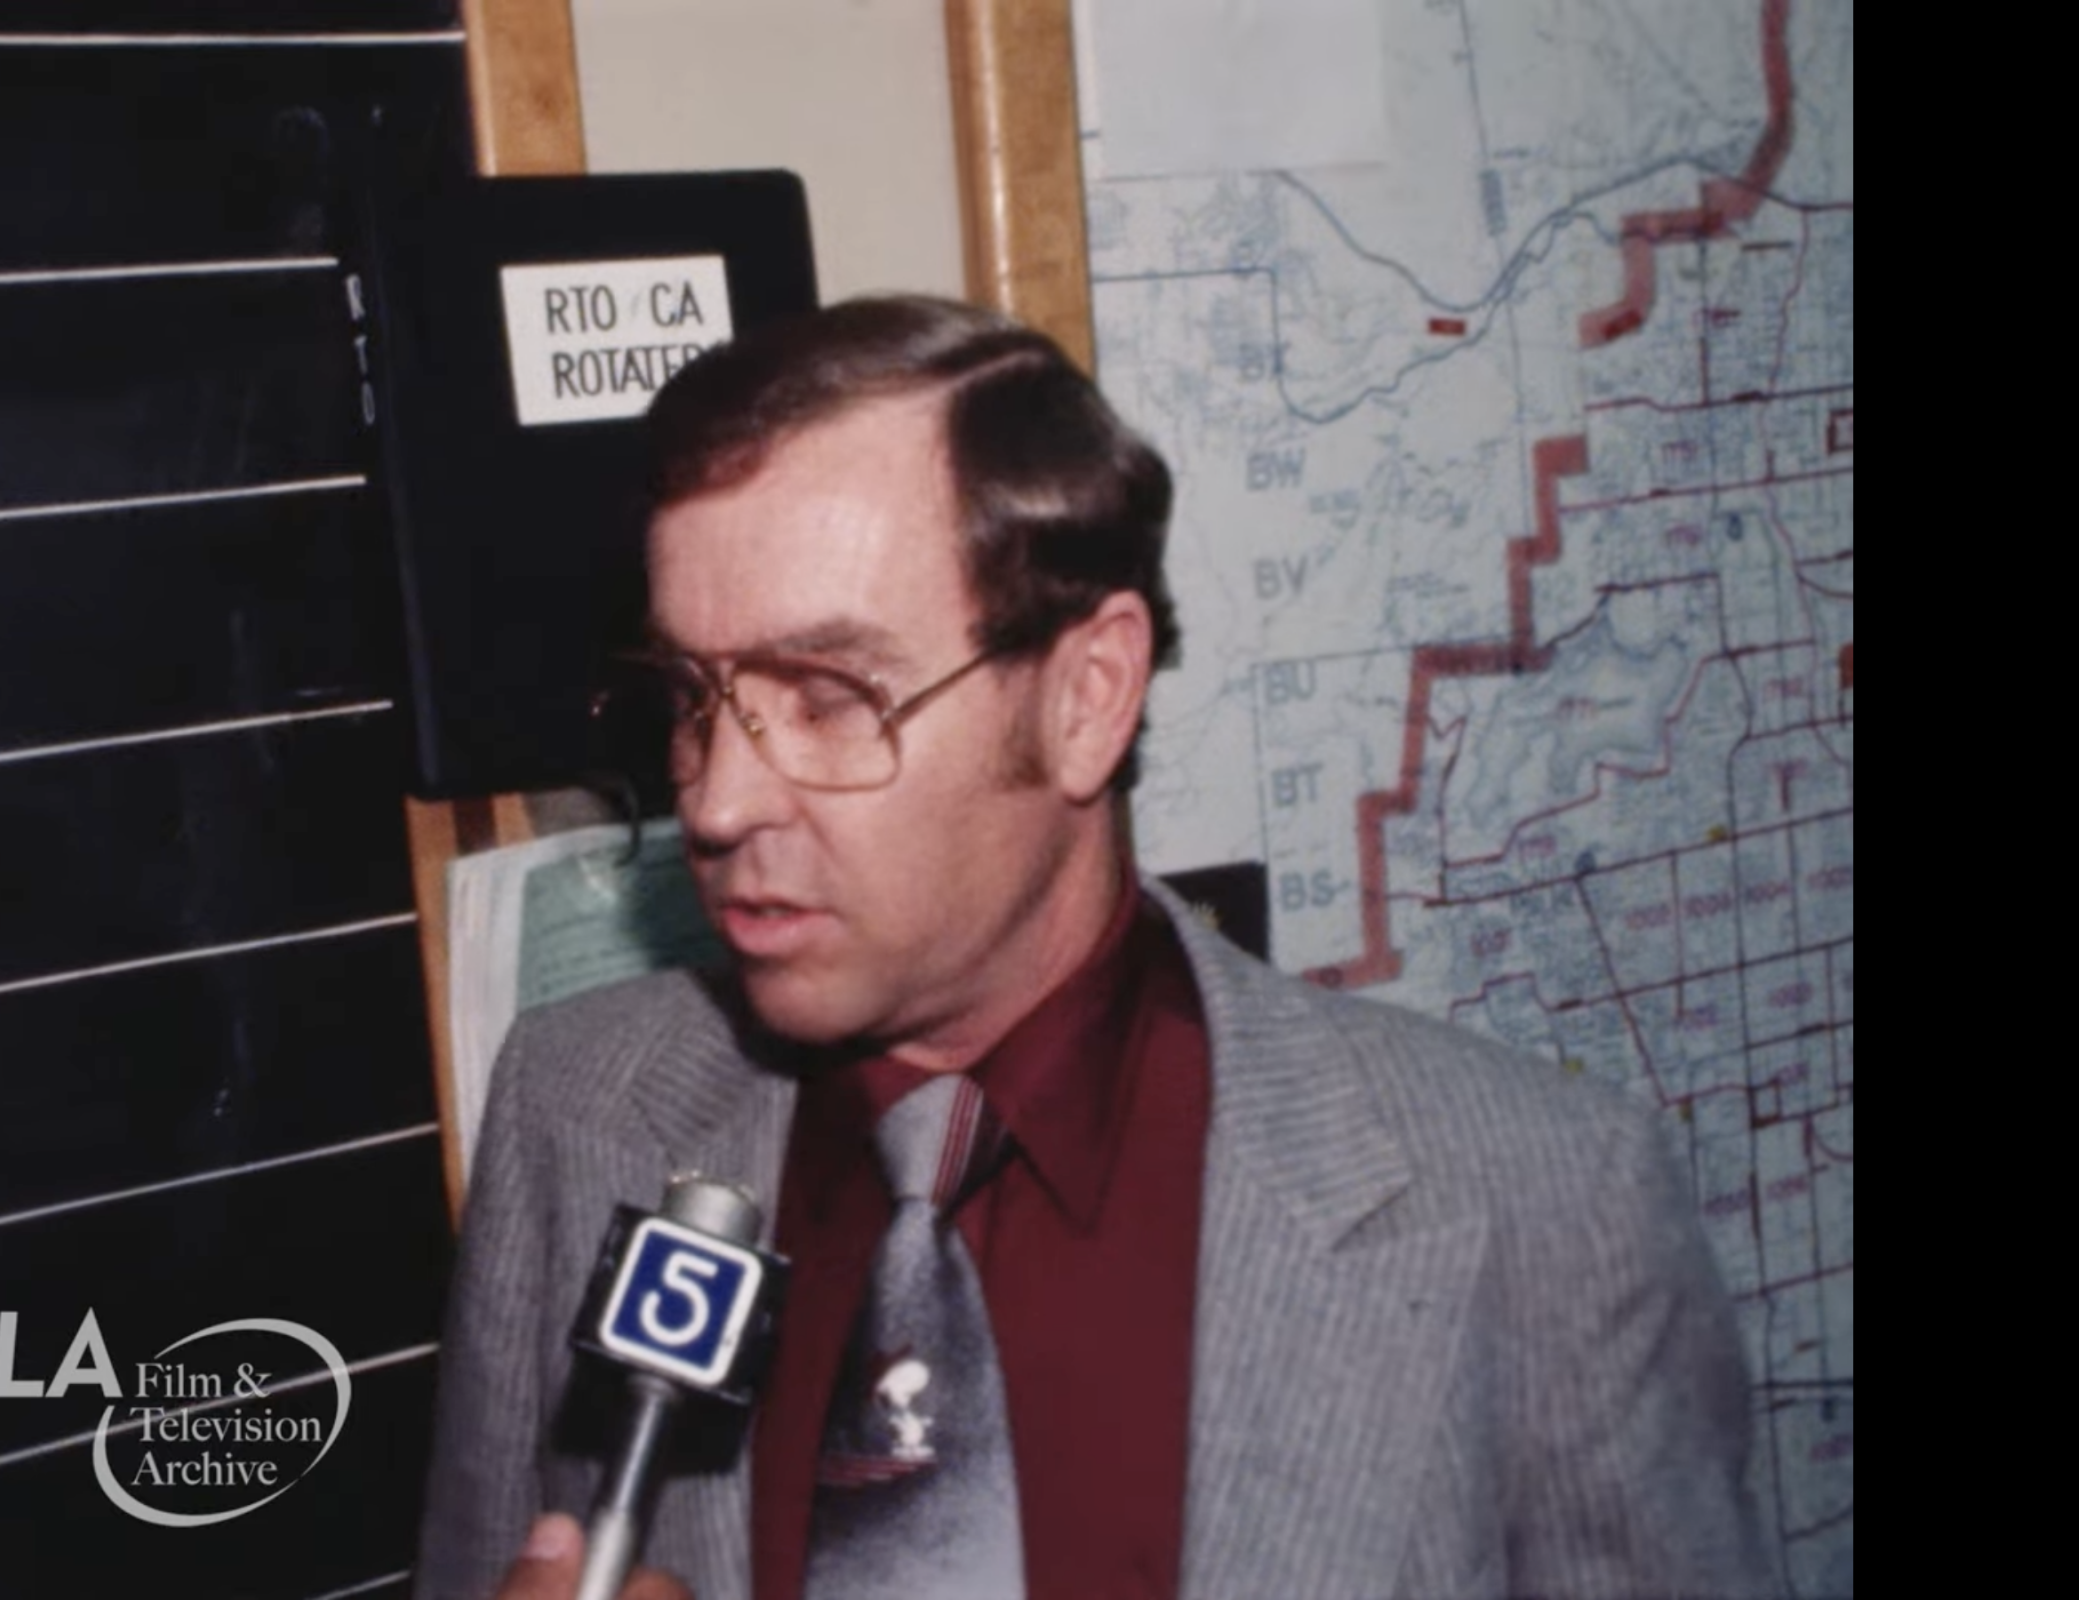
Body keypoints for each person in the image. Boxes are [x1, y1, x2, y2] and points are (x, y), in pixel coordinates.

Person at [414, 296, 1775, 1600]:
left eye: (826, 698)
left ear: (1087, 697)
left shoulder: (1543, 1208)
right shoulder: (571, 1108)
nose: (714, 799)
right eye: (693, 700)